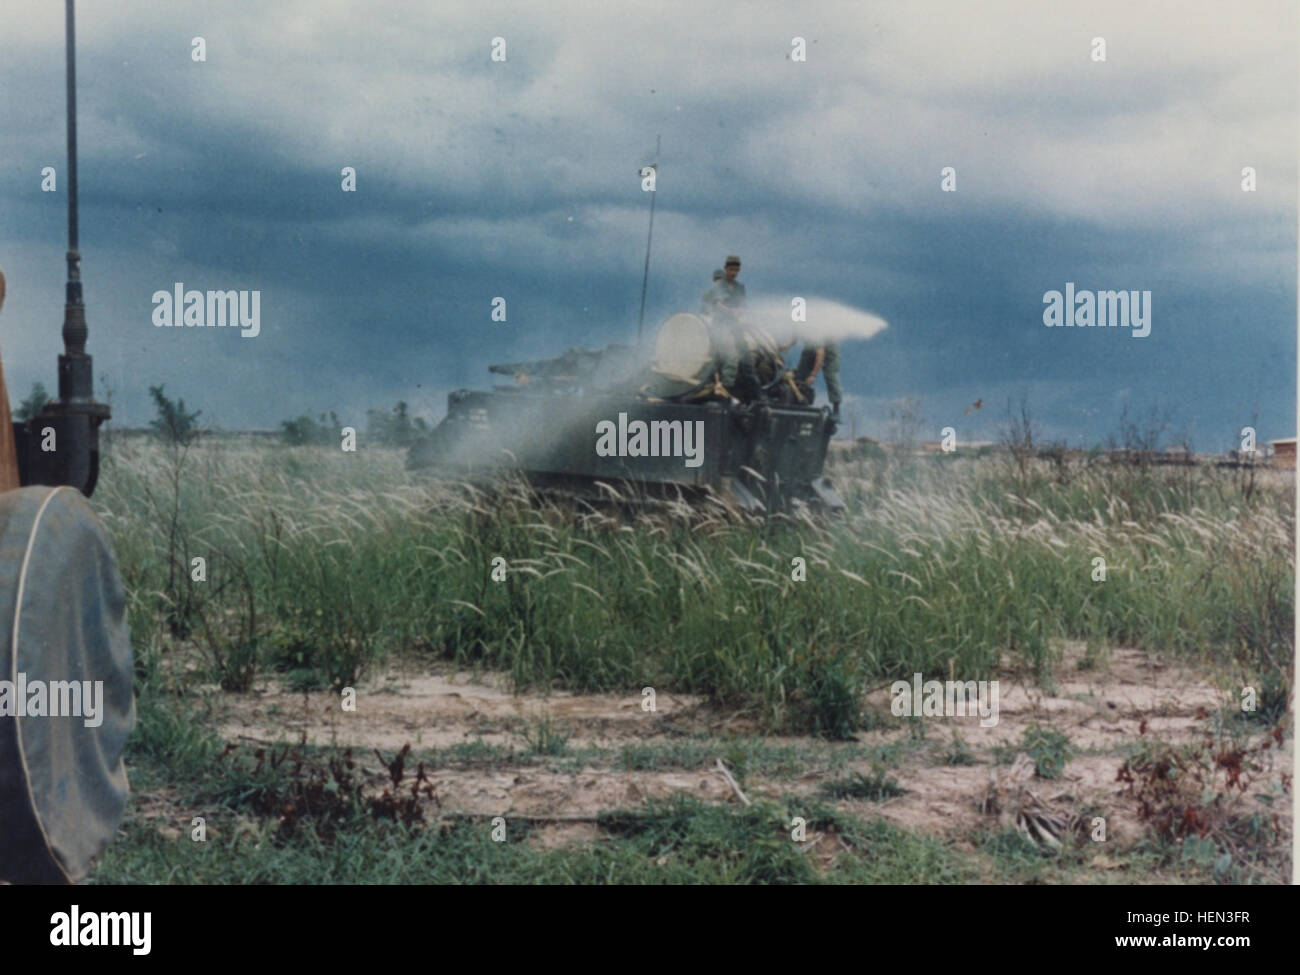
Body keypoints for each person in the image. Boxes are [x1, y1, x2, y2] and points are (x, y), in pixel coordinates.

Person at [703, 256, 764, 402]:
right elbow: (718, 304)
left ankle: (757, 395)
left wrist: (740, 311)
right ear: (725, 269)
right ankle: (726, 390)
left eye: (736, 270)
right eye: (731, 270)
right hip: (722, 327)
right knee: (731, 357)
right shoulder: (720, 286)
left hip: (735, 326)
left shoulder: (739, 287)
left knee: (747, 360)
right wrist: (731, 311)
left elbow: (744, 306)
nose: (733, 273)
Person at [792, 319, 842, 416]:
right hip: (812, 347)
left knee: (830, 374)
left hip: (828, 350)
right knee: (800, 373)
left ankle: (836, 409)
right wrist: (786, 346)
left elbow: (820, 354)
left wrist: (813, 375)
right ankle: (799, 401)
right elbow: (794, 337)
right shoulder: (800, 327)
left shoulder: (815, 333)